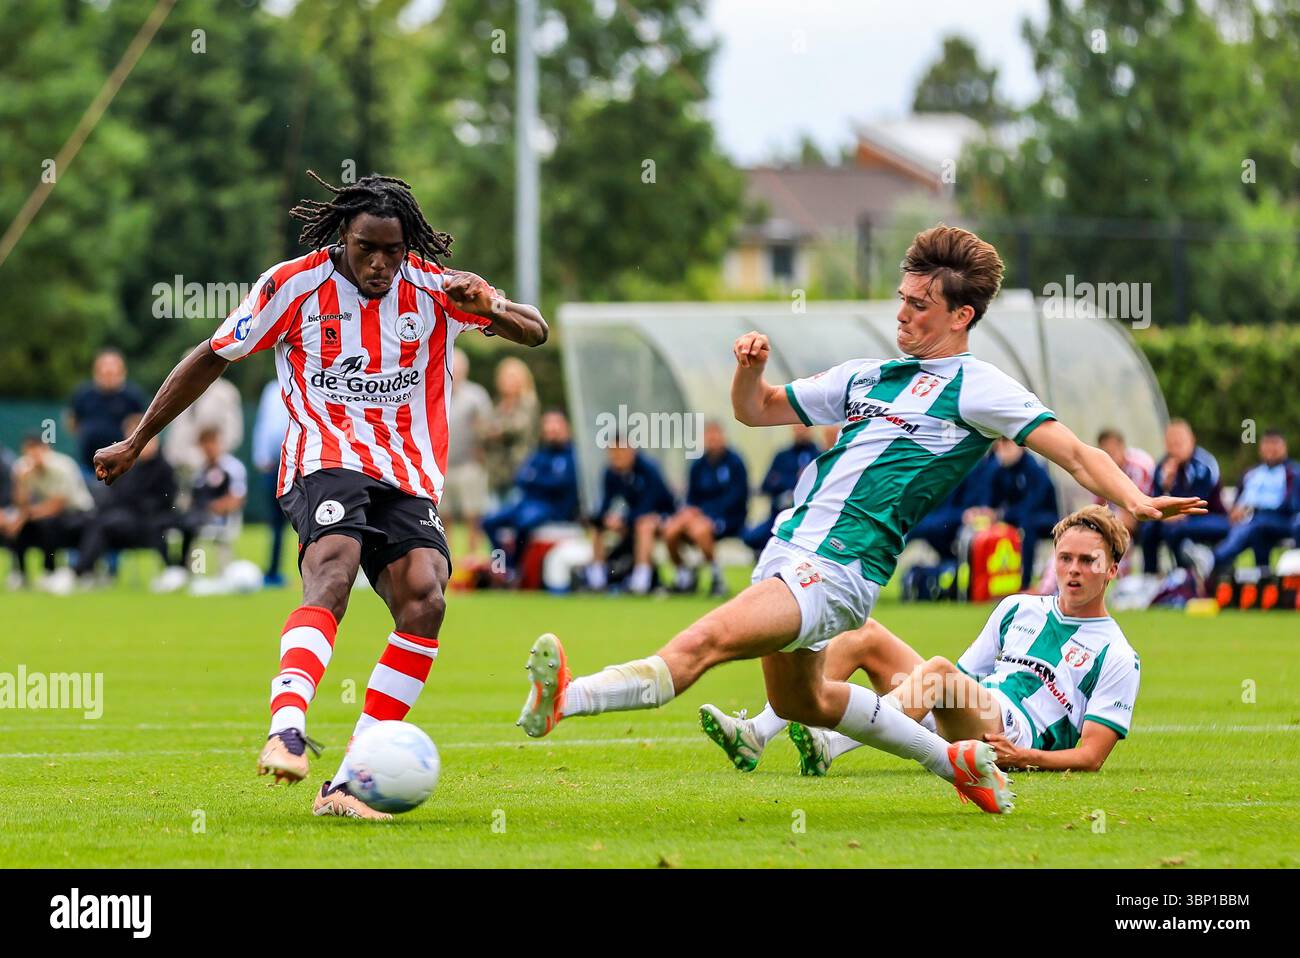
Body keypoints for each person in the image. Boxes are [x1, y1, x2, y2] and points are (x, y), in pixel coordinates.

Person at [515, 224, 1203, 817]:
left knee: (707, 641)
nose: (903, 313)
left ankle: (565, 700)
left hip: (837, 567)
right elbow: (758, 410)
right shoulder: (869, 375)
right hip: (791, 550)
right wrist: (748, 373)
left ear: (961, 316)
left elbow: (1077, 451)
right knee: (809, 703)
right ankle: (956, 765)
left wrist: (1134, 499)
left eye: (919, 304)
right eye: (901, 299)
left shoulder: (978, 385)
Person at [92, 170, 548, 820]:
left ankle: (353, 777)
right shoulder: (293, 284)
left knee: (426, 598)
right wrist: (138, 441)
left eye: (394, 250)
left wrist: (492, 307)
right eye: (368, 248)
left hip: (407, 473)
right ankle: (286, 726)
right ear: (344, 234)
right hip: (322, 460)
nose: (382, 264)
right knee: (332, 570)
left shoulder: (437, 289)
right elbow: (212, 354)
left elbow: (535, 331)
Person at [700, 506, 1141, 777]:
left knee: (938, 673)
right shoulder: (1018, 608)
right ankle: (756, 733)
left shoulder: (1117, 654)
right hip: (967, 709)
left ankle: (831, 745)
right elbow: (965, 679)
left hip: (1008, 730)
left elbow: (1091, 756)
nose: (1074, 569)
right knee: (863, 634)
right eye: (1065, 558)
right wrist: (933, 695)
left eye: (1088, 560)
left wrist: (1023, 755)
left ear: (1112, 570)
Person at [65, 414, 180, 589]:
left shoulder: (164, 468)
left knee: (103, 524)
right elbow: (113, 497)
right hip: (121, 520)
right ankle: (88, 572)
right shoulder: (126, 467)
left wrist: (131, 508)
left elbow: (164, 501)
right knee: (89, 521)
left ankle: (79, 573)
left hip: (147, 523)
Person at [480, 410, 578, 577]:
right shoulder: (539, 454)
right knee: (489, 521)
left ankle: (515, 568)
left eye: (556, 426)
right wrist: (544, 481)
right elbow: (520, 478)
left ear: (566, 428)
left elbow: (562, 484)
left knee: (523, 523)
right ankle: (502, 566)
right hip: (527, 504)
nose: (551, 431)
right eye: (548, 427)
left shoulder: (572, 456)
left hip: (554, 509)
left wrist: (536, 480)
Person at [663, 421, 749, 597]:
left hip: (728, 518)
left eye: (716, 435)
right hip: (699, 516)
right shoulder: (698, 465)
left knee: (700, 530)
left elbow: (737, 497)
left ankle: (717, 577)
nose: (713, 440)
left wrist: (707, 514)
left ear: (723, 437)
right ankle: (683, 575)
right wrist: (690, 511)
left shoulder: (735, 463)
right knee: (670, 529)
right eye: (709, 436)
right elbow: (691, 497)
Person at [1, 434, 94, 591]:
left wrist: (23, 517)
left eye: (37, 450)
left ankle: (50, 571)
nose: (33, 455)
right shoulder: (22, 468)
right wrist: (21, 483)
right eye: (29, 451)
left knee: (46, 523)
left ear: (46, 449)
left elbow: (57, 505)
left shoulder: (62, 466)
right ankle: (20, 573)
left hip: (78, 514)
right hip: (44, 514)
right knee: (17, 525)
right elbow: (20, 504)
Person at [162, 426, 249, 591]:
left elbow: (237, 499)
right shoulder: (200, 470)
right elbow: (192, 497)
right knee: (175, 523)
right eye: (204, 444)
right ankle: (179, 570)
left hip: (219, 518)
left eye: (212, 443)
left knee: (194, 526)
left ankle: (195, 571)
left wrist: (214, 508)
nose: (208, 449)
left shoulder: (232, 467)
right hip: (197, 515)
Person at [1139, 419, 1230, 576]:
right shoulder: (1162, 466)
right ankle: (1150, 576)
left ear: (1191, 440)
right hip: (1174, 518)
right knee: (1148, 528)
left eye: (1179, 443)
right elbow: (1155, 500)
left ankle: (1184, 575)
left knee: (1175, 529)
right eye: (1171, 444)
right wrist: (1166, 485)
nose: (1175, 449)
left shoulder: (1205, 464)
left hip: (1210, 516)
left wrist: (1171, 514)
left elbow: (1198, 501)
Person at [585, 440, 675, 595]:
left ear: (631, 451)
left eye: (620, 452)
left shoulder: (649, 470)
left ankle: (641, 579)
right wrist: (603, 519)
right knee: (598, 527)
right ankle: (597, 578)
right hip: (632, 518)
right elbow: (605, 504)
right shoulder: (610, 472)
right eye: (613, 452)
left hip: (663, 516)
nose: (616, 456)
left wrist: (623, 521)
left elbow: (649, 505)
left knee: (644, 525)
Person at [1211, 429, 1299, 577]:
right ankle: (1255, 575)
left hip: (1282, 520)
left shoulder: (1292, 473)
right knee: (1249, 527)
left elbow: (1293, 506)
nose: (1270, 449)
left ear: (1284, 447)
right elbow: (1238, 502)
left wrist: (1254, 509)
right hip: (1249, 521)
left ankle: (1215, 558)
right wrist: (1236, 511)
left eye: (1275, 444)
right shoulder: (1251, 473)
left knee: (1254, 525)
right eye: (1267, 444)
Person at [975, 437, 1059, 588]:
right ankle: (980, 585)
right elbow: (989, 501)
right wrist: (983, 512)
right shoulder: (997, 471)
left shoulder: (1034, 469)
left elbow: (1032, 505)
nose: (1001, 449)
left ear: (1020, 446)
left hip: (1045, 520)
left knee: (1027, 526)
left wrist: (1001, 515)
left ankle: (1025, 583)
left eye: (1006, 444)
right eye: (998, 445)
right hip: (1014, 519)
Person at [66, 349, 146, 482]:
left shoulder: (133, 396)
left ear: (122, 372)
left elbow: (142, 425)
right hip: (87, 465)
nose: (108, 377)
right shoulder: (83, 394)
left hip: (123, 467)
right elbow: (72, 422)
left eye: (113, 373)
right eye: (104, 373)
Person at [443, 348, 493, 554]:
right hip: (442, 464)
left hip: (469, 464)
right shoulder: (436, 390)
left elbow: (488, 428)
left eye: (459, 366)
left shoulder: (476, 395)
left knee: (473, 513)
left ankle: (473, 557)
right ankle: (447, 555)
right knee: (443, 514)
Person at [742, 424, 821, 553]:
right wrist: (791, 482)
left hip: (806, 518)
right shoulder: (782, 456)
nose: (800, 430)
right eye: (797, 426)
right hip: (777, 515)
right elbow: (767, 484)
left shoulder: (819, 456)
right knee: (751, 537)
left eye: (804, 426)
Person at [162, 359, 245, 479]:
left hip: (213, 465)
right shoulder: (178, 392)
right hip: (181, 464)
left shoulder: (225, 393)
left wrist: (212, 456)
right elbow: (176, 430)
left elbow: (233, 433)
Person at [251, 378, 292, 586]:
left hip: (298, 463)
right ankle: (273, 571)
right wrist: (261, 456)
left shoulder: (304, 380)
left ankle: (313, 573)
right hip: (273, 466)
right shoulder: (271, 389)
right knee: (275, 524)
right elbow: (263, 424)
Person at [482, 356, 539, 501]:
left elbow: (517, 427)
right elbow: (482, 432)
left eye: (512, 376)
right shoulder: (497, 404)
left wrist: (496, 430)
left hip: (519, 470)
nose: (507, 380)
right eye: (505, 376)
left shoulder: (529, 402)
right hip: (496, 473)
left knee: (516, 515)